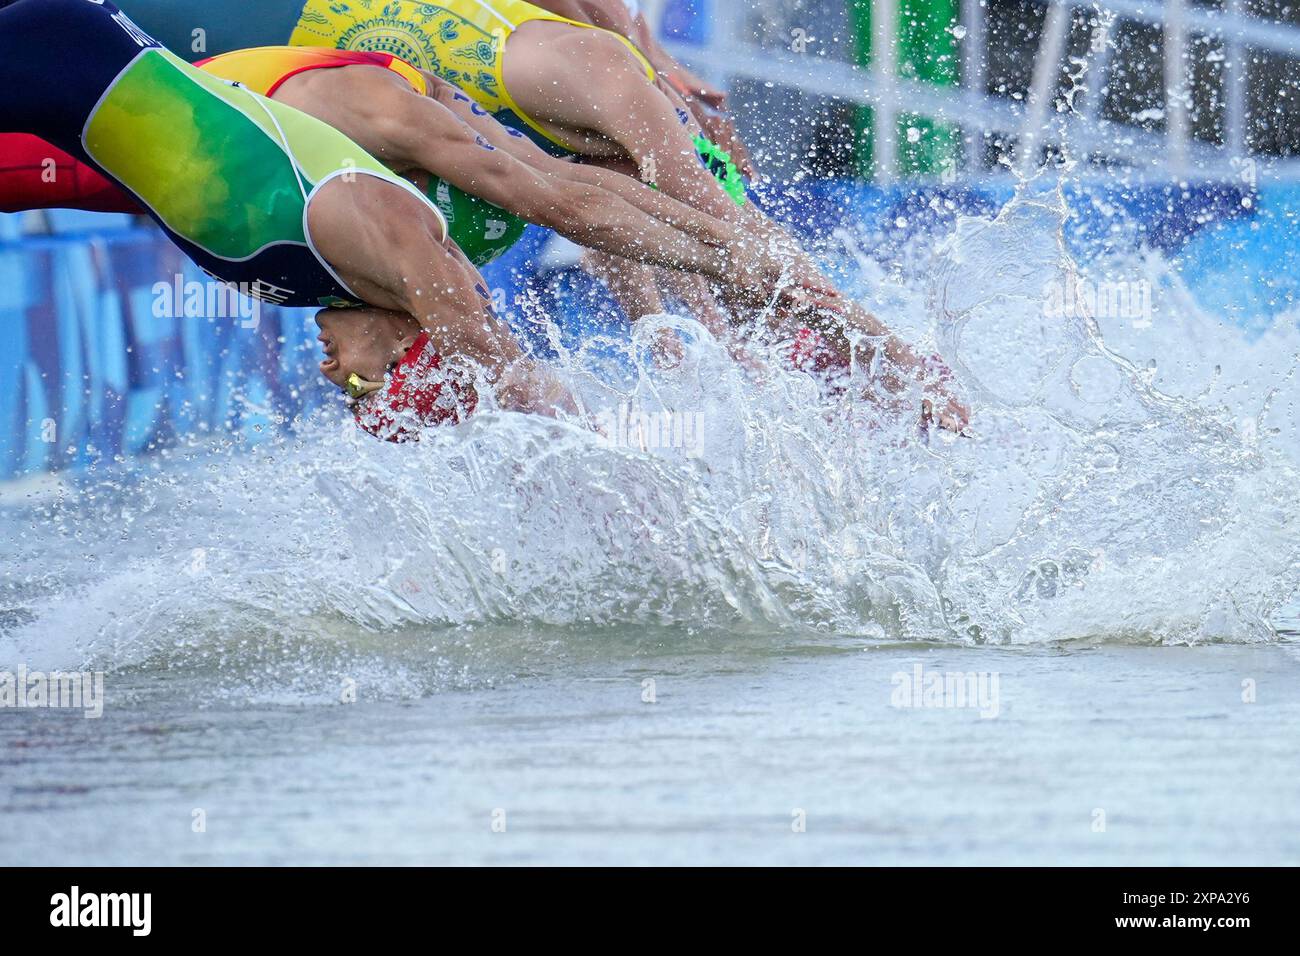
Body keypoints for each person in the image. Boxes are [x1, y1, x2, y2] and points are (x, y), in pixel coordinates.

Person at [112, 0, 972, 432]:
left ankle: (892, 362)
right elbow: (585, 207)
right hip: (500, 91)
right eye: (367, 383)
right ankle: (858, 382)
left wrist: (653, 55)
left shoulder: (348, 223)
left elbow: (583, 199)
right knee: (707, 302)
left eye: (356, 388)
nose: (333, 374)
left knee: (723, 249)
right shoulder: (403, 242)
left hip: (494, 76)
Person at [0, 0, 575, 440]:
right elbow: (484, 336)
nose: (333, 378)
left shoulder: (320, 281)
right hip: (64, 58)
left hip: (69, 99)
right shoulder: (383, 232)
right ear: (405, 341)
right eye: (359, 386)